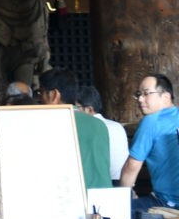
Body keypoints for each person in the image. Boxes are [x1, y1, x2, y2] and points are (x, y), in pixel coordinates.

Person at [39, 68, 111, 190]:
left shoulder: (49, 124)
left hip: (71, 200)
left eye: (40, 93)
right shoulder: (99, 125)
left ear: (54, 95)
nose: (39, 100)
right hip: (103, 199)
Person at [119, 74, 179, 209]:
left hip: (169, 204)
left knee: (114, 212)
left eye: (146, 94)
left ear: (165, 97)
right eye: (139, 94)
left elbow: (132, 166)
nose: (140, 99)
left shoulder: (151, 121)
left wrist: (123, 196)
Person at [76, 85, 130, 182]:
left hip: (105, 186)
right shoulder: (117, 126)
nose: (74, 112)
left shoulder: (90, 129)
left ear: (89, 109)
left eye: (76, 108)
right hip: (122, 183)